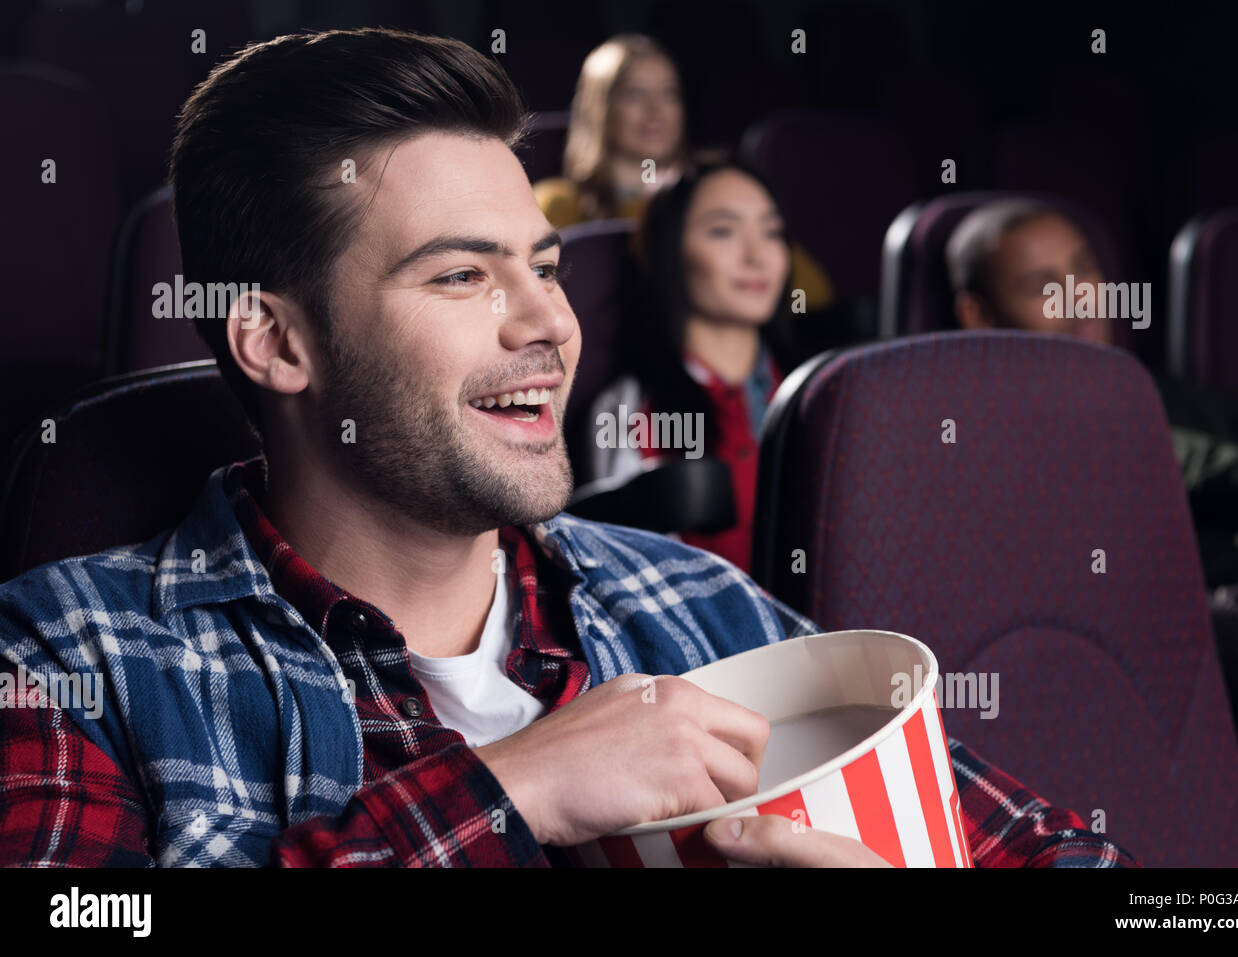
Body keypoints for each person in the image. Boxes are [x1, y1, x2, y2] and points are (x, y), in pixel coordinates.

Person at [0, 28, 1137, 869]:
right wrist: (508, 791)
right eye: (460, 274)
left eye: (541, 267)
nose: (549, 323)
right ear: (278, 338)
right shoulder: (69, 657)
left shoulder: (698, 605)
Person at [945, 200, 1238, 592]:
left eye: (1083, 268)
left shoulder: (1158, 389)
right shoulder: (995, 432)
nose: (1079, 297)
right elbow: (1211, 470)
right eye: (1041, 287)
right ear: (978, 315)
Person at [583, 159, 798, 573]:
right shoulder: (631, 409)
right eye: (723, 231)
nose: (758, 256)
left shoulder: (821, 390)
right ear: (670, 252)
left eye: (771, 232)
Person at [531, 33, 835, 311]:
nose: (656, 110)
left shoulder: (719, 194)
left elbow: (813, 291)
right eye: (634, 94)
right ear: (600, 107)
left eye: (669, 94)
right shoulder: (557, 201)